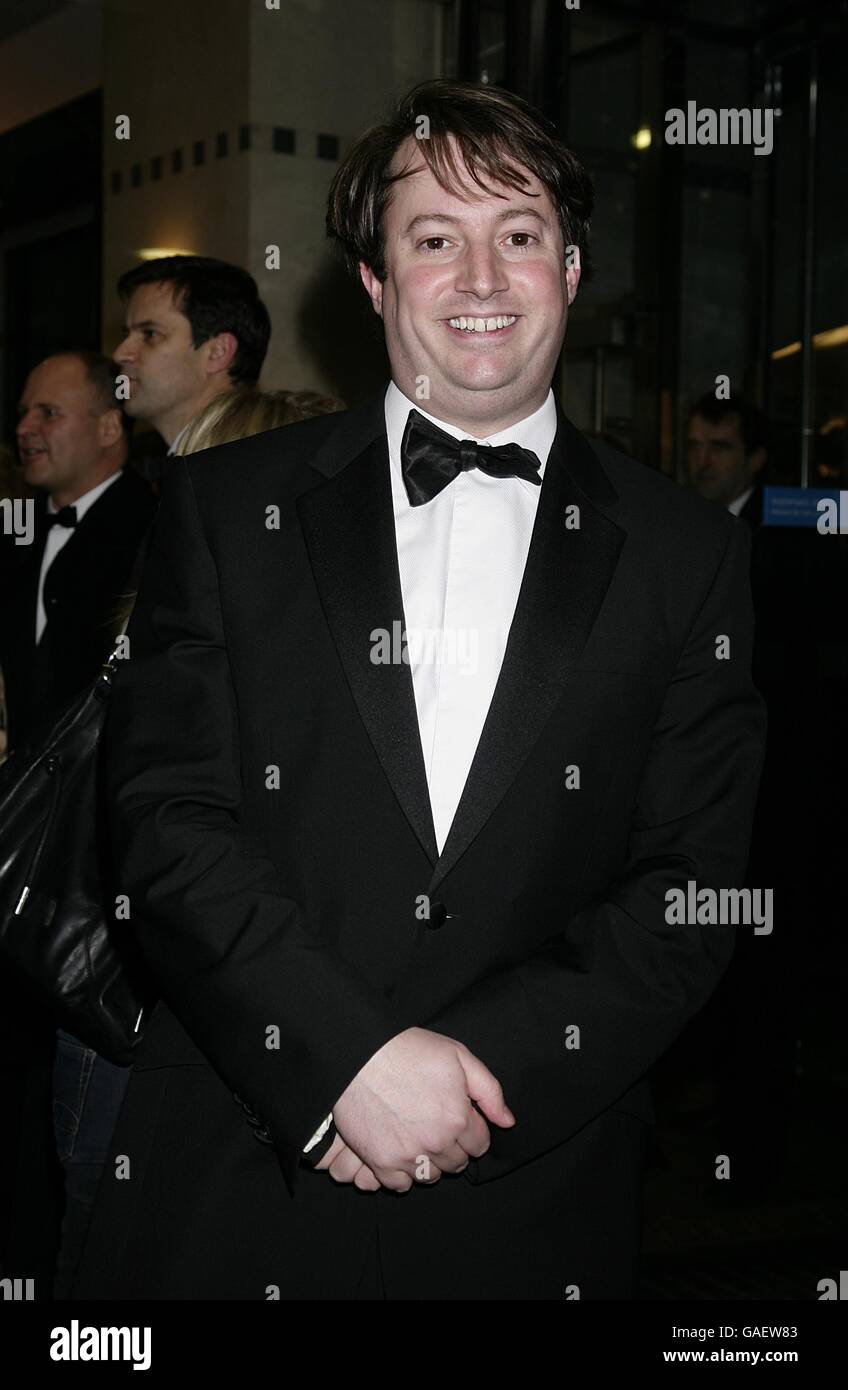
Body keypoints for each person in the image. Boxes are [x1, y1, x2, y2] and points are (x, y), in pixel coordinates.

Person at [74, 78, 766, 1301]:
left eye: (518, 237)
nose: (483, 279)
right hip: (239, 1173)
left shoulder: (685, 552)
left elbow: (692, 882)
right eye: (435, 240)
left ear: (570, 266)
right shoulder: (231, 509)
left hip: (530, 1190)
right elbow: (166, 822)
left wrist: (467, 1079)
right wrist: (337, 1061)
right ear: (376, 283)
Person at [0, 349, 156, 1298]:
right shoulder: (12, 530)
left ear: (109, 425)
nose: (25, 428)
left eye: (48, 412)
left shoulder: (158, 526)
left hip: (88, 866)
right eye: (21, 412)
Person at [113, 255, 271, 479]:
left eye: (150, 334)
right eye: (126, 334)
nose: (120, 354)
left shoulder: (250, 472)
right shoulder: (191, 468)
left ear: (218, 352)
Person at [686, 392, 768, 521]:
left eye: (718, 448)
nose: (702, 462)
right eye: (694, 446)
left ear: (755, 459)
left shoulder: (777, 529)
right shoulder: (683, 517)